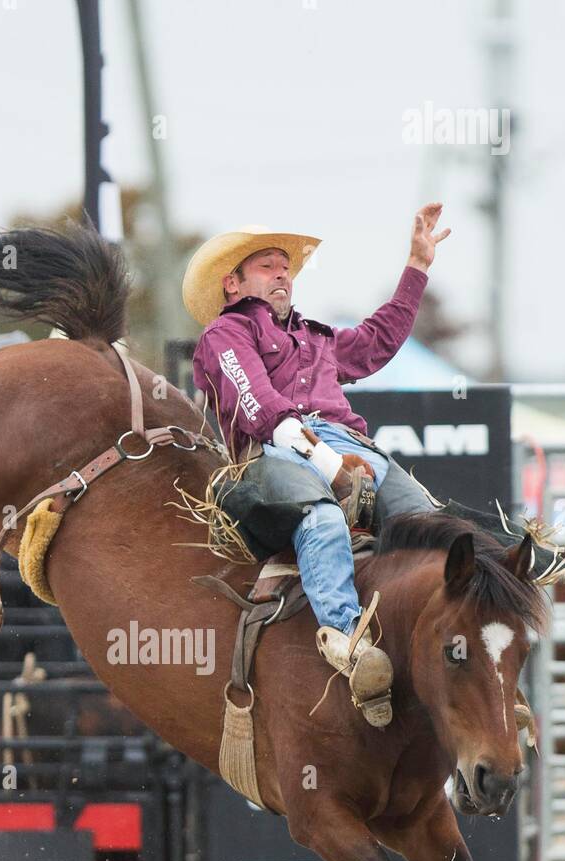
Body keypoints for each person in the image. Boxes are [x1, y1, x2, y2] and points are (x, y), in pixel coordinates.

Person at [184, 206, 450, 727]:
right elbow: (259, 407)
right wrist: (329, 463)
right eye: (266, 265)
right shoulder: (225, 335)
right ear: (232, 284)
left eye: (285, 265)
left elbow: (378, 342)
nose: (282, 273)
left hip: (352, 447)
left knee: (429, 526)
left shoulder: (319, 337)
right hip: (271, 457)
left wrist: (417, 266)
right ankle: (347, 640)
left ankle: (452, 650)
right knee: (323, 518)